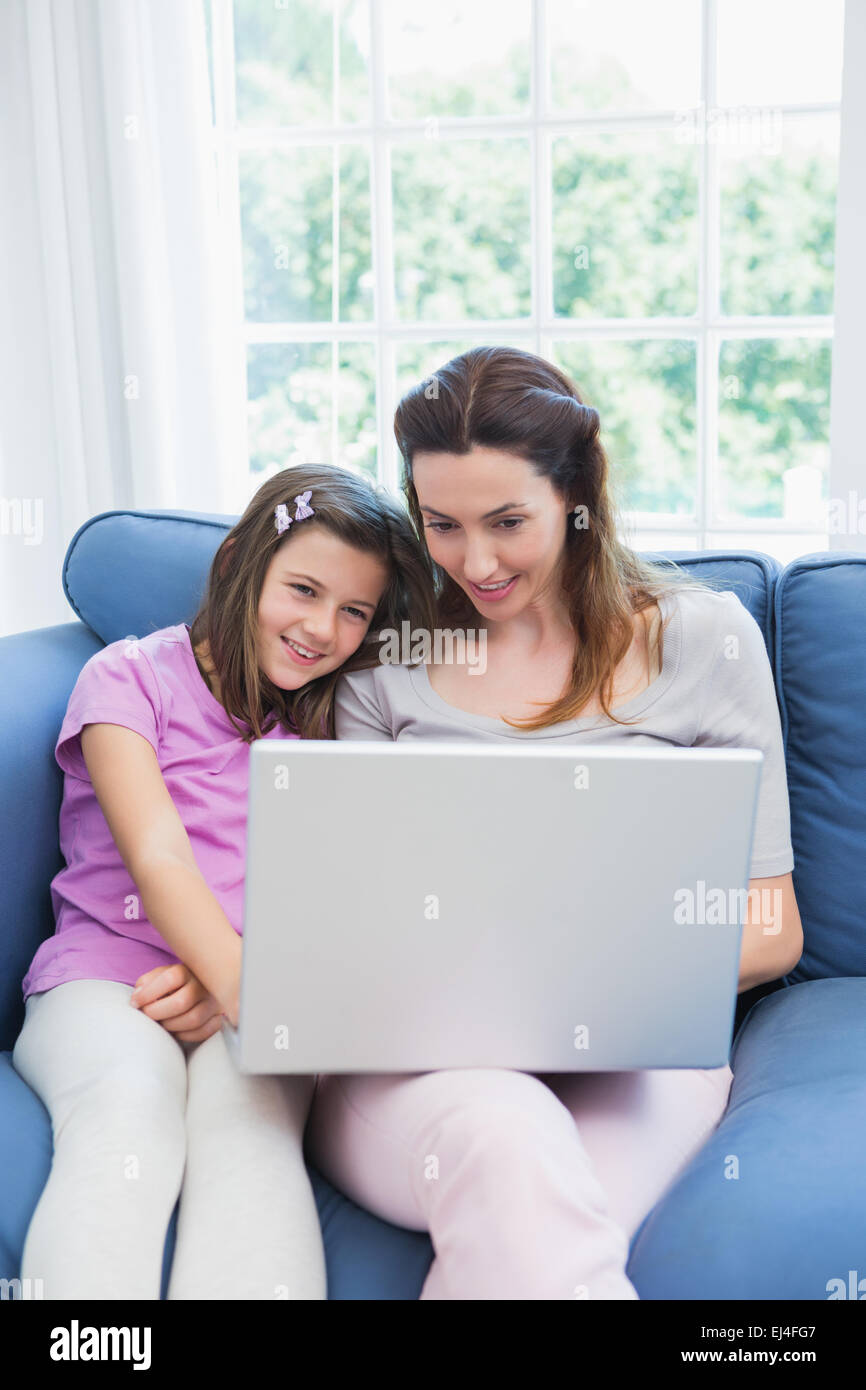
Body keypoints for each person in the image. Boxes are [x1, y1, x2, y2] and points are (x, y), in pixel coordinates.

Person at [302, 346, 805, 1300]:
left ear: (577, 494)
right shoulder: (384, 664)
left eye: (507, 523)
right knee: (507, 1143)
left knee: (537, 1245)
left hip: (634, 1059)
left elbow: (773, 927)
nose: (475, 562)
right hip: (415, 1066)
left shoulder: (704, 639)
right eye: (441, 525)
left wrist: (573, 987)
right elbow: (351, 918)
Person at [12, 463, 438, 1300]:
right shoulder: (128, 679)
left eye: (354, 611)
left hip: (251, 989)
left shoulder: (336, 720)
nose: (323, 627)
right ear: (239, 561)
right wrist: (242, 984)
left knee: (250, 1142)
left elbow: (341, 896)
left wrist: (246, 984)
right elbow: (159, 856)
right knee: (126, 1115)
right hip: (108, 978)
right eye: (304, 589)